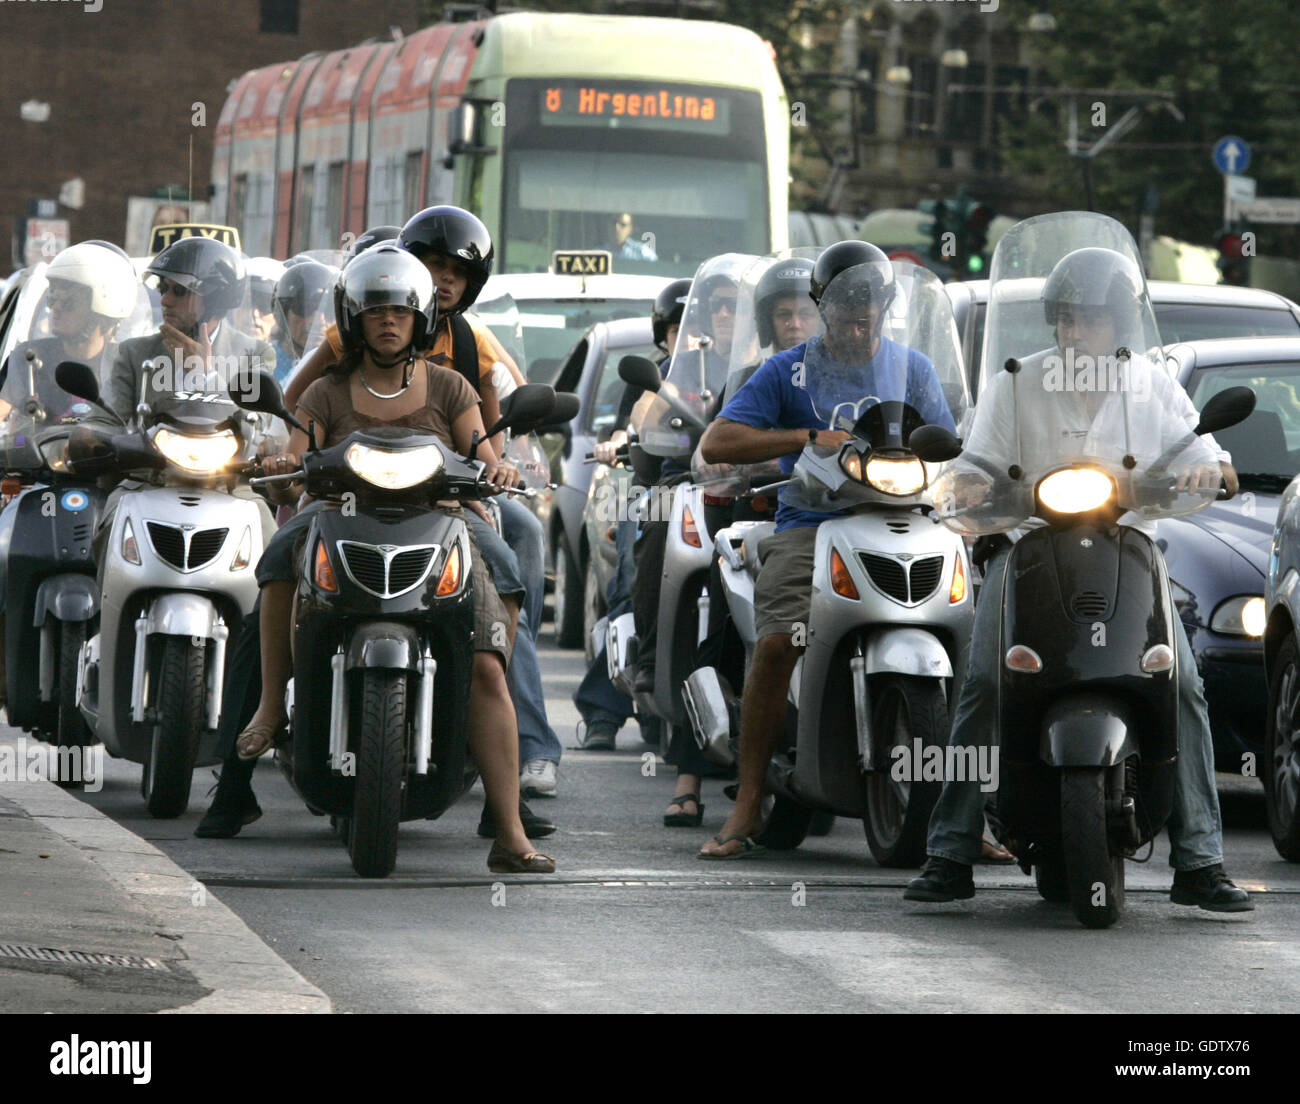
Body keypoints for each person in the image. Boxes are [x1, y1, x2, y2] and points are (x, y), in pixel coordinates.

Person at [905, 245, 1252, 911]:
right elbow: (976, 459)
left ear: (1119, 325)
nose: (1074, 333)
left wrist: (1206, 473)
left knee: (1183, 687)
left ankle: (1201, 858)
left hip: (1129, 551)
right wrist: (970, 480)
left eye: (1089, 320)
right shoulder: (1016, 380)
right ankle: (949, 848)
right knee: (983, 681)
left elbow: (1215, 459)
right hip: (1030, 549)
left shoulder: (1151, 385)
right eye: (1064, 320)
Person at [198, 207, 559, 836]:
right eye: (377, 309)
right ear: (355, 314)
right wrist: (285, 457)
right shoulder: (333, 375)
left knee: (504, 573)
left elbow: (486, 445)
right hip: (341, 510)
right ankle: (258, 729)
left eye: (404, 308)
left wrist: (497, 472)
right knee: (278, 559)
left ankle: (502, 754)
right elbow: (294, 423)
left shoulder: (456, 371)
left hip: (441, 514)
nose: (391, 318)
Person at [695, 240, 955, 858]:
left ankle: (973, 810)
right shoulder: (787, 370)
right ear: (822, 306)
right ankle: (748, 799)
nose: (857, 319)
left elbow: (953, 445)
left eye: (870, 305)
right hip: (811, 525)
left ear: (888, 305)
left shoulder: (914, 368)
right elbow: (718, 440)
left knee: (971, 642)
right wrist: (809, 434)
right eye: (844, 306)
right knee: (781, 639)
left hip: (909, 521)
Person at [573, 278, 690, 752]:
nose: (711, 327)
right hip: (656, 491)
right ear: (664, 333)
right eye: (679, 328)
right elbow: (630, 428)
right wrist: (617, 443)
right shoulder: (653, 376)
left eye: (727, 314)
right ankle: (604, 709)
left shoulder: (743, 374)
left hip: (720, 493)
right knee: (634, 578)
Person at [0, 241, 139, 420]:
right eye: (53, 297)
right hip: (38, 448)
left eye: (68, 301)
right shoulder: (28, 358)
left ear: (103, 308)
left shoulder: (129, 367)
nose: (55, 307)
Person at [270, 259, 337, 384]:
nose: (319, 320)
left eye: (328, 310)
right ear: (282, 313)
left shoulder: (345, 368)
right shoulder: (261, 364)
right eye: (305, 308)